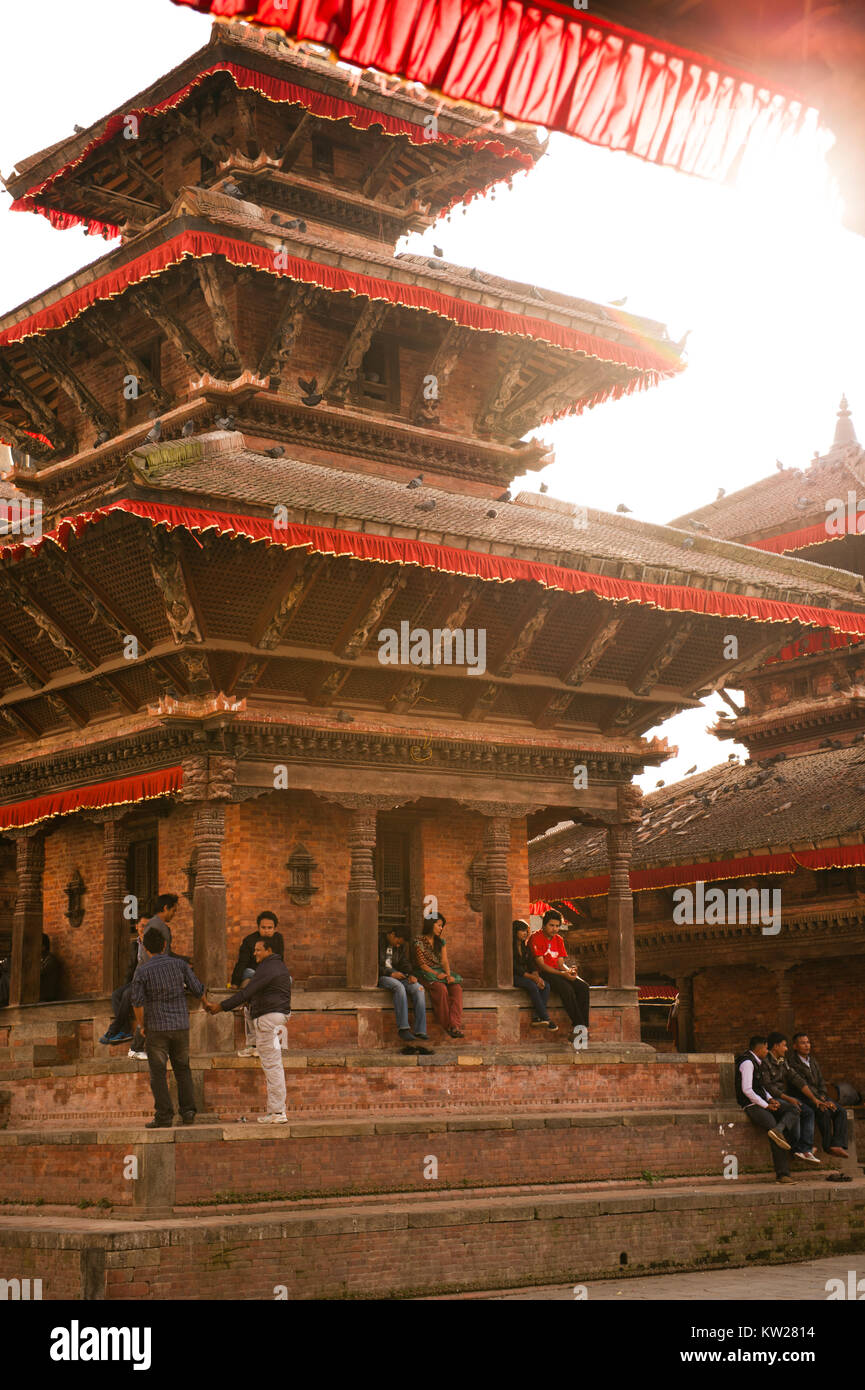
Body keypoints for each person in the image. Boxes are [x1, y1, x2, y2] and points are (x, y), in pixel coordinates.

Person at [204, 938, 292, 1123]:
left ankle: (277, 1112)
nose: (255, 953)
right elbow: (254, 995)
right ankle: (253, 1046)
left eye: (258, 950)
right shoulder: (278, 966)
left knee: (272, 1065)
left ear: (268, 950)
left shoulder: (267, 968)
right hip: (277, 1017)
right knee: (247, 1010)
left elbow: (246, 992)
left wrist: (220, 1007)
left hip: (268, 1020)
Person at [131, 925, 204, 1128]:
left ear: (146, 948)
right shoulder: (180, 965)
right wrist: (207, 1004)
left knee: (158, 1072)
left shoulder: (142, 971)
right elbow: (198, 989)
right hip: (180, 1025)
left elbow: (136, 1002)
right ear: (165, 945)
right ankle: (188, 1112)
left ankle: (164, 1116)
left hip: (156, 1027)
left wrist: (142, 1025)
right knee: (183, 1069)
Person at [735, 1035, 799, 1183]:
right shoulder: (747, 1063)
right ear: (759, 1048)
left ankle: (781, 1131)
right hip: (752, 1105)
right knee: (773, 1130)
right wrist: (766, 1105)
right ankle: (783, 1174)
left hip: (764, 1101)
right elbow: (747, 1090)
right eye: (765, 1048)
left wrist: (770, 1099)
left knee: (793, 1109)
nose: (767, 1051)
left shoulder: (758, 1062)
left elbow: (762, 1086)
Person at [759, 1032, 819, 1165]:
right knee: (794, 1108)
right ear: (775, 1046)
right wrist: (789, 1099)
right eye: (784, 1045)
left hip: (784, 1097)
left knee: (808, 1111)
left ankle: (804, 1148)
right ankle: (786, 1138)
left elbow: (796, 1079)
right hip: (772, 1098)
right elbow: (768, 1087)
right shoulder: (765, 1062)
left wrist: (815, 1098)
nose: (787, 1049)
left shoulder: (783, 1061)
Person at [787, 1032, 849, 1158]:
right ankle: (828, 1147)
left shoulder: (813, 1061)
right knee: (823, 1111)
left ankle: (837, 1144)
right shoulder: (792, 1063)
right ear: (794, 1046)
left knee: (841, 1111)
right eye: (803, 1043)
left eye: (808, 1042)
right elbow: (803, 1085)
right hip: (803, 1097)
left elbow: (821, 1081)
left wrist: (823, 1097)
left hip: (819, 1096)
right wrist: (820, 1100)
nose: (807, 1045)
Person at [530, 909, 589, 1038]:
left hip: (558, 972)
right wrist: (563, 974)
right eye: (551, 925)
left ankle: (580, 1027)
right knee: (567, 989)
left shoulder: (559, 940)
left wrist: (569, 971)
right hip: (543, 973)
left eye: (557, 926)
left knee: (583, 987)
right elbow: (541, 965)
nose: (555, 929)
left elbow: (561, 964)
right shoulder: (535, 937)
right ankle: (580, 1028)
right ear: (544, 925)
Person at [100, 917, 147, 1055]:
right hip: (136, 981)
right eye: (142, 925)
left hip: (147, 981)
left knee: (128, 994)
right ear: (137, 926)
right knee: (117, 994)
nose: (144, 928)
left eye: (147, 926)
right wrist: (127, 984)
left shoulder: (152, 943)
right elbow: (131, 967)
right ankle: (125, 1031)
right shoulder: (135, 944)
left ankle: (114, 1028)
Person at [412, 914, 463, 1039]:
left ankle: (455, 1025)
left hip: (440, 971)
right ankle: (447, 1025)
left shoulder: (441, 942)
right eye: (439, 925)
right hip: (425, 973)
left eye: (442, 926)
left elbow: (445, 961)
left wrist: (448, 975)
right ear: (431, 924)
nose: (441, 928)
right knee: (441, 989)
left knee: (456, 988)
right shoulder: (418, 941)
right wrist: (436, 974)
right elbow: (422, 964)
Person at [379, 927, 428, 1043]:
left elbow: (404, 962)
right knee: (399, 987)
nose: (398, 946)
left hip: (398, 975)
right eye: (397, 942)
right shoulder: (377, 942)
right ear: (392, 934)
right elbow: (371, 965)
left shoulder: (400, 947)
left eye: (400, 944)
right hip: (382, 976)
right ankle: (403, 1028)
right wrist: (391, 973)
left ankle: (420, 1030)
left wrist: (411, 974)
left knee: (419, 988)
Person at [512, 920, 556, 1030]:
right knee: (532, 985)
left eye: (526, 931)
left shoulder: (525, 947)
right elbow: (515, 968)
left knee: (545, 985)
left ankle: (537, 1018)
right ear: (515, 931)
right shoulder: (509, 947)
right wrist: (533, 978)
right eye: (522, 930)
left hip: (526, 976)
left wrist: (537, 977)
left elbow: (531, 964)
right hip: (513, 976)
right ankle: (546, 1018)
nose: (525, 933)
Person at [138, 893, 178, 964]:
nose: (174, 914)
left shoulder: (157, 924)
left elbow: (167, 953)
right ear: (165, 908)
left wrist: (186, 959)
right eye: (173, 910)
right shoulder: (156, 925)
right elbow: (145, 953)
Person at [39, 934, 62, 1002]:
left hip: (46, 997)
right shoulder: (41, 959)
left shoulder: (50, 960)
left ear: (43, 947)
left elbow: (39, 973)